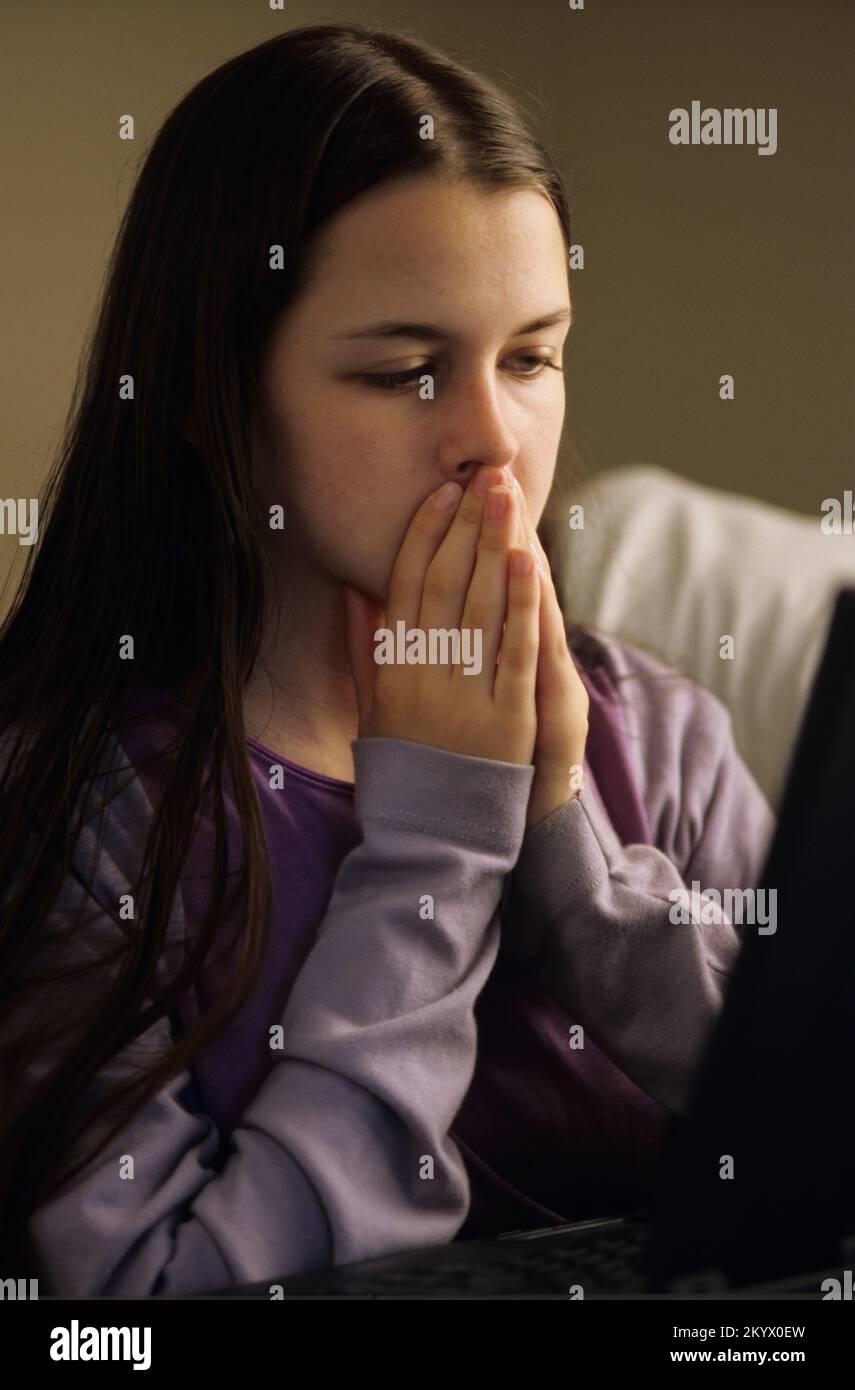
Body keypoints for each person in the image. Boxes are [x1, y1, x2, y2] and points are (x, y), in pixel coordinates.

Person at [0, 23, 774, 1296]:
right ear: (211, 395)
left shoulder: (664, 735)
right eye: (409, 372)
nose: (494, 441)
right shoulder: (78, 812)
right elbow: (143, 1299)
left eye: (531, 357)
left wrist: (568, 845)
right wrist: (435, 846)